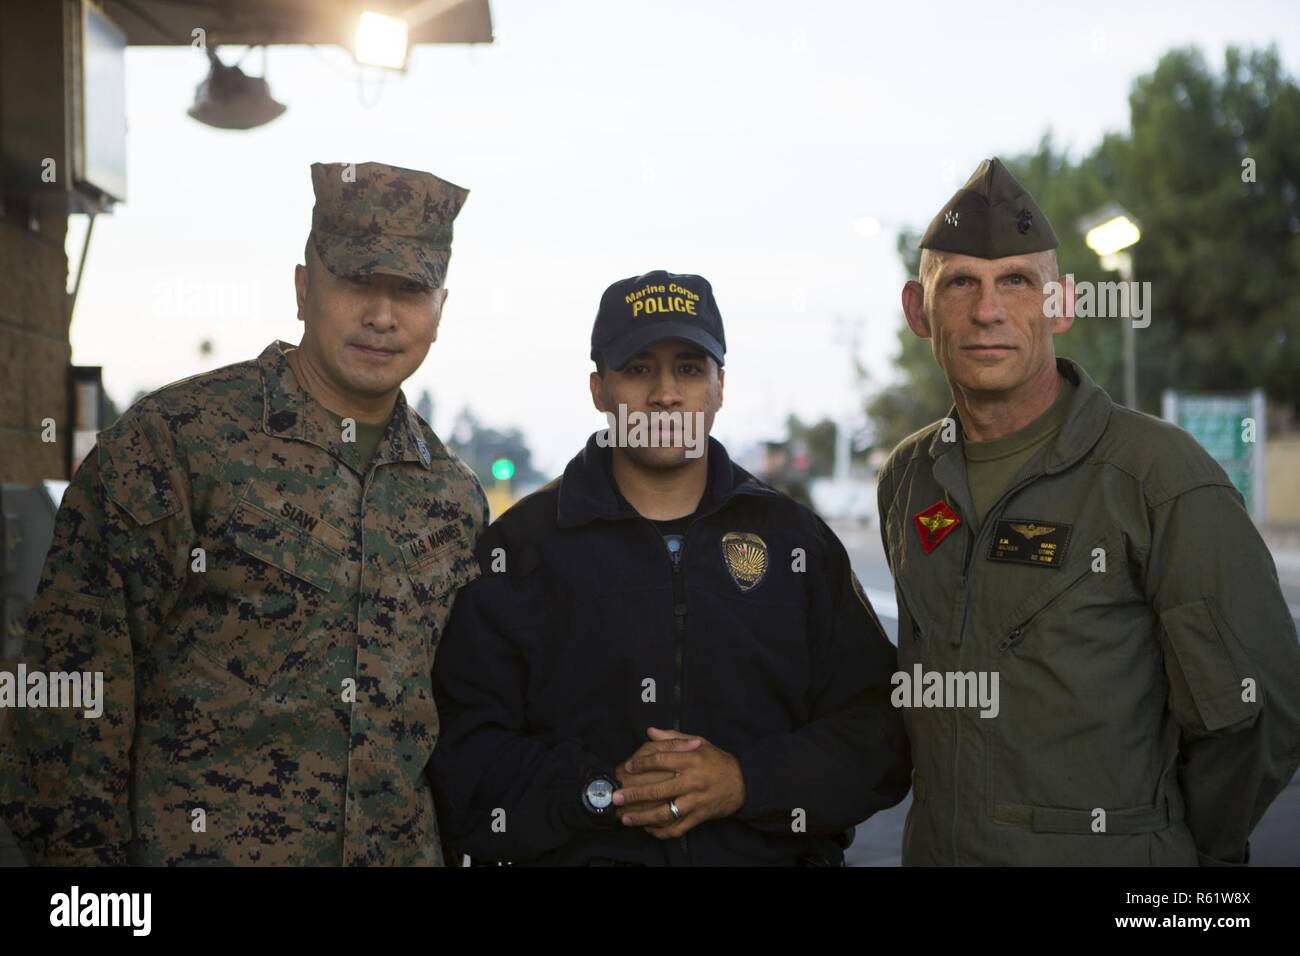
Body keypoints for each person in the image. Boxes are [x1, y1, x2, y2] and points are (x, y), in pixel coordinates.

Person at [0, 161, 487, 865]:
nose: (383, 316)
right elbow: (68, 700)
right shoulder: (176, 444)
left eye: (410, 290)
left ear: (441, 308)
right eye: (356, 282)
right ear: (302, 288)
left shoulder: (451, 497)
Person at [878, 156, 1300, 865]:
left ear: (1063, 303)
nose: (989, 310)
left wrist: (1170, 848)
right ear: (919, 311)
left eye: (1018, 281)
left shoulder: (1156, 475)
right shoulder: (909, 478)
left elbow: (1260, 712)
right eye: (960, 284)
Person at [430, 269, 910, 865]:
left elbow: (880, 735)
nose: (664, 394)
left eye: (688, 367)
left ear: (719, 386)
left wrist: (744, 781)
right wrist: (603, 790)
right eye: (637, 368)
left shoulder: (797, 544)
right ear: (598, 389)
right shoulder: (520, 551)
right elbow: (460, 753)